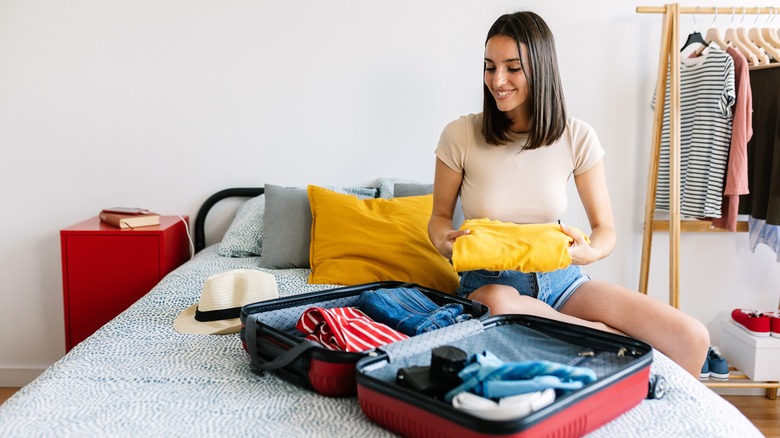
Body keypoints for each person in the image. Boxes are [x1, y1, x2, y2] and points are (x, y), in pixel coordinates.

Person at [427, 10, 710, 378]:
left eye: (512, 67)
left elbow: (605, 228)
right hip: (491, 284)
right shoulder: (460, 134)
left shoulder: (576, 136)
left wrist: (590, 251)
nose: (497, 80)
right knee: (498, 305)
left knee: (692, 337)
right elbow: (439, 219)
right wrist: (445, 244)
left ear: (542, 68)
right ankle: (618, 346)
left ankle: (619, 371)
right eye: (489, 66)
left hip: (561, 281)